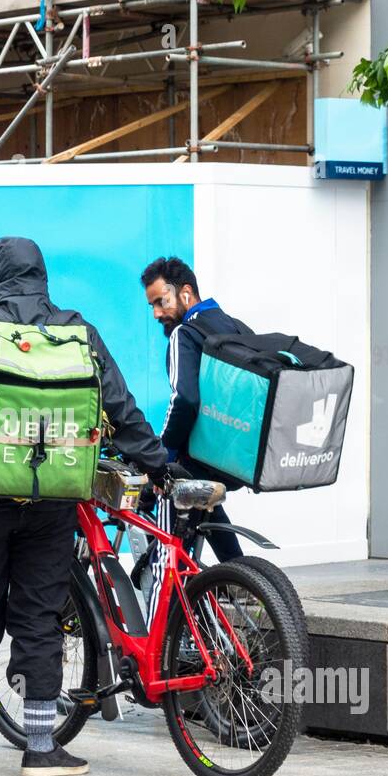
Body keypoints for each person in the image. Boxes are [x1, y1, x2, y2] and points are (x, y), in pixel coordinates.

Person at [0, 237, 170, 776]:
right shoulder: (78, 331)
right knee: (39, 616)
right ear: (42, 275)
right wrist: (157, 462)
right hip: (53, 498)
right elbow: (120, 408)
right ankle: (40, 746)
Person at [139, 256, 255, 618]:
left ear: (185, 294)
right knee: (206, 508)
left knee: (164, 559)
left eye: (162, 301)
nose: (157, 313)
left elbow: (184, 399)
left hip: (193, 462)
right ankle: (247, 582)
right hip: (229, 458)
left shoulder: (184, 334)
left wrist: (162, 456)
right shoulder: (235, 328)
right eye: (152, 305)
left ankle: (158, 655)